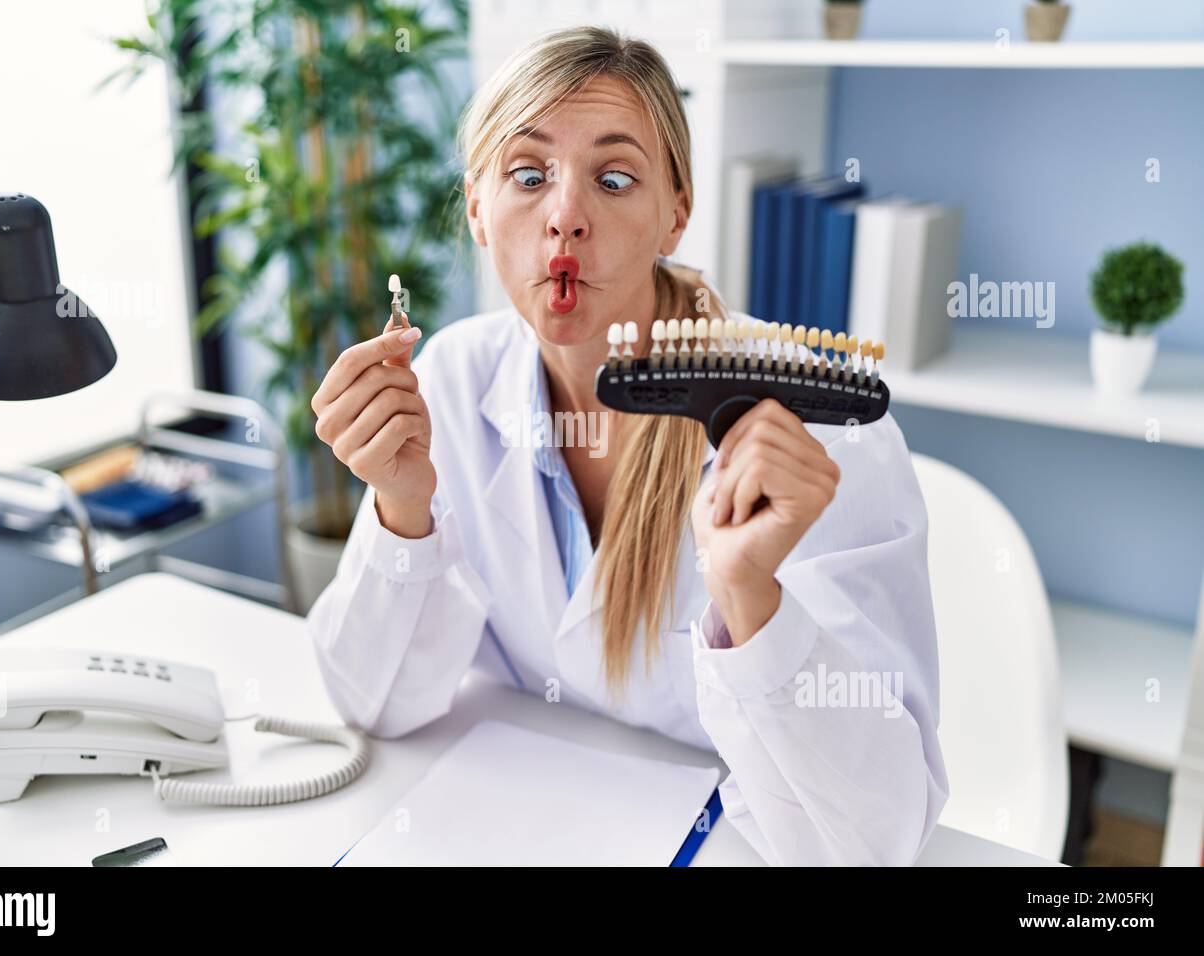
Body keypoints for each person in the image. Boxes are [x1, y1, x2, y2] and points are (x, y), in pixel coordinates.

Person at [307, 25, 948, 865]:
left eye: (614, 179)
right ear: (475, 206)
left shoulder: (814, 421)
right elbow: (376, 709)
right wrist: (403, 508)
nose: (565, 218)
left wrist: (750, 600)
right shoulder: (453, 385)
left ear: (675, 213)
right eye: (527, 176)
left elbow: (879, 835)